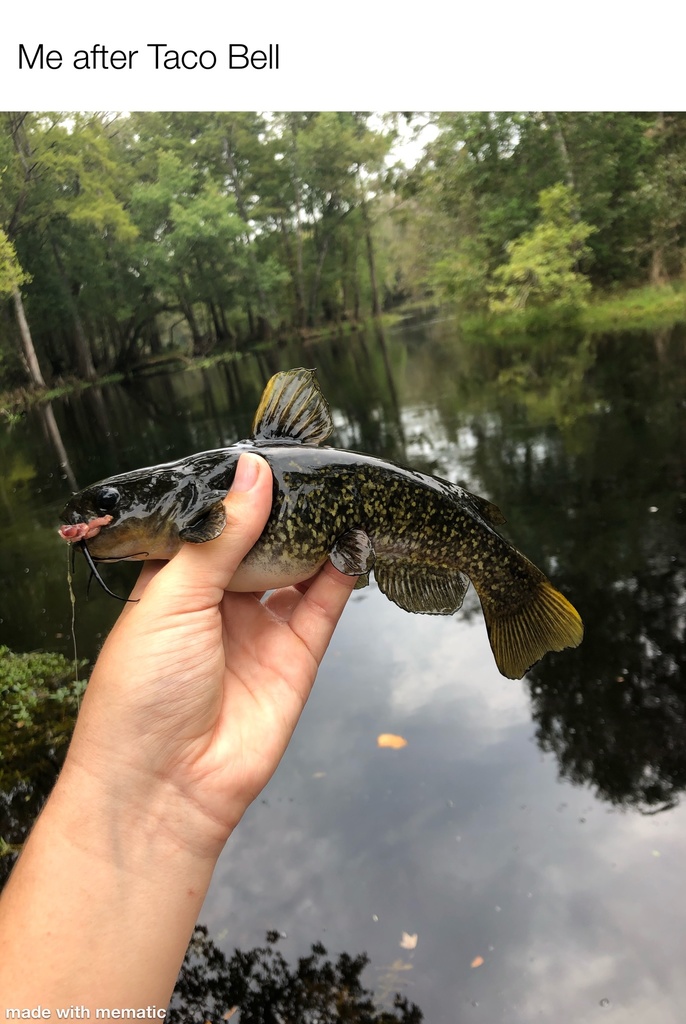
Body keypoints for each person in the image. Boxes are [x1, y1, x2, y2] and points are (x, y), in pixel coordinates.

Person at [0, 453, 356, 1012]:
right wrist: (156, 787)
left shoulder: (217, 502)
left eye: (109, 505)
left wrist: (148, 792)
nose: (97, 517)